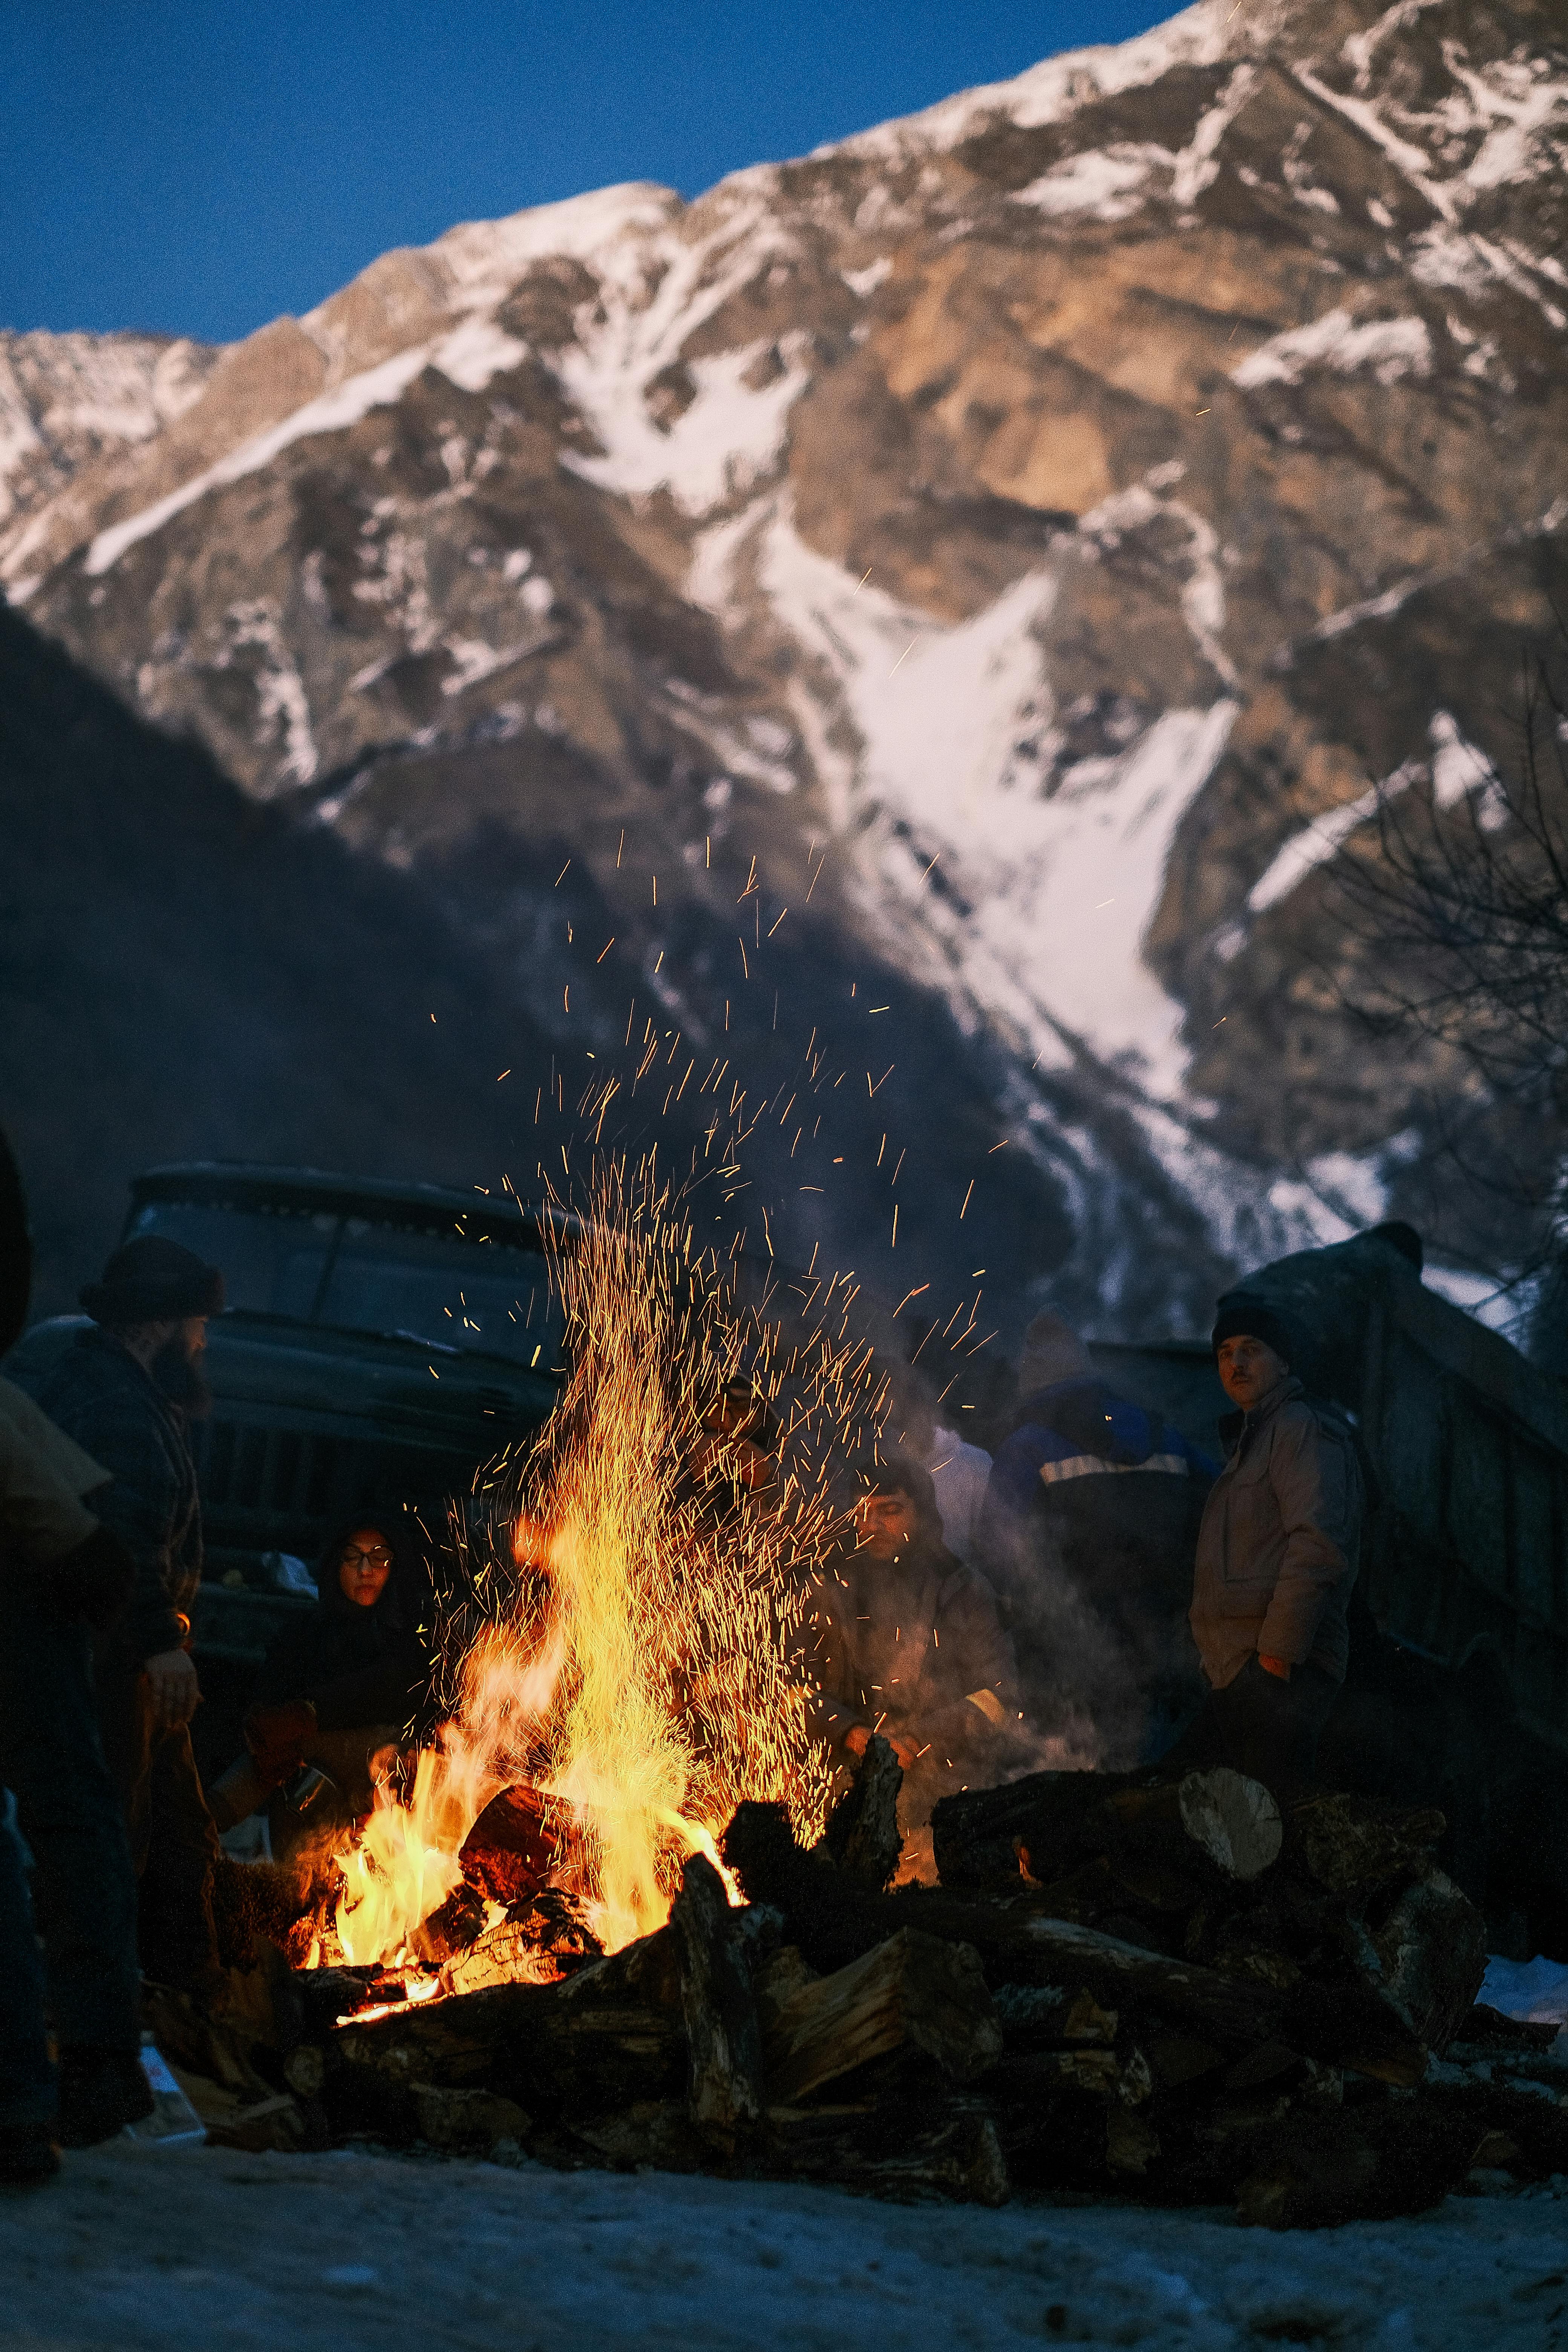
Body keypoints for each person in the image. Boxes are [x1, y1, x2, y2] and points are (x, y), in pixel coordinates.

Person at [0, 1130, 147, 2173]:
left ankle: (65, 2075)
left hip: (37, 1575)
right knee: (62, 1818)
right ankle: (72, 2070)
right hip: (34, 1583)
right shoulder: (86, 1386)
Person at [34, 1234, 226, 1992]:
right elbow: (121, 1538)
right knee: (116, 1837)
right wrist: (159, 1642)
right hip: (113, 1664)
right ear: (160, 1322)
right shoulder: (117, 1406)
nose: (203, 1339)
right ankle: (101, 2013)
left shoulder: (113, 1385)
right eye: (196, 1322)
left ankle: (187, 2011)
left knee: (180, 1836)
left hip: (128, 1661)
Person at [977, 1313, 1215, 1761]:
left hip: (1073, 1652)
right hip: (1168, 1638)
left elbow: (998, 1545)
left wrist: (1037, 1616)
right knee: (1163, 1771)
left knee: (1083, 1780)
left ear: (1029, 1378)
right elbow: (1226, 1506)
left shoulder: (1028, 1445)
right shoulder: (1163, 1435)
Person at [1162, 1296, 1364, 1802]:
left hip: (1279, 1670)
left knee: (1261, 1825)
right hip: (1239, 1672)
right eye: (1226, 1352)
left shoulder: (1301, 1430)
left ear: (1285, 1363)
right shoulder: (1254, 1440)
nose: (1237, 1363)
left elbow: (1319, 1547)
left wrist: (1278, 1654)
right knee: (1196, 1811)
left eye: (1252, 1350)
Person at [799, 1454, 1018, 1832]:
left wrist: (918, 1741)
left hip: (942, 1790)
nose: (871, 1525)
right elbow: (787, 1686)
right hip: (839, 1783)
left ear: (922, 1514)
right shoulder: (828, 1587)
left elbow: (1000, 1697)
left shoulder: (962, 1590)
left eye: (890, 1510)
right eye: (862, 1511)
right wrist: (850, 1733)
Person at [212, 1511, 432, 1856]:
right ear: (335, 1564)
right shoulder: (308, 1633)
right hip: (310, 1807)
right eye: (353, 1557)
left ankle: (211, 1816)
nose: (365, 1570)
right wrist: (272, 1723)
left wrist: (309, 1713)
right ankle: (202, 1825)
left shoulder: (411, 1634)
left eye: (379, 1558)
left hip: (389, 1794)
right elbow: (272, 1692)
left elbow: (391, 1686)